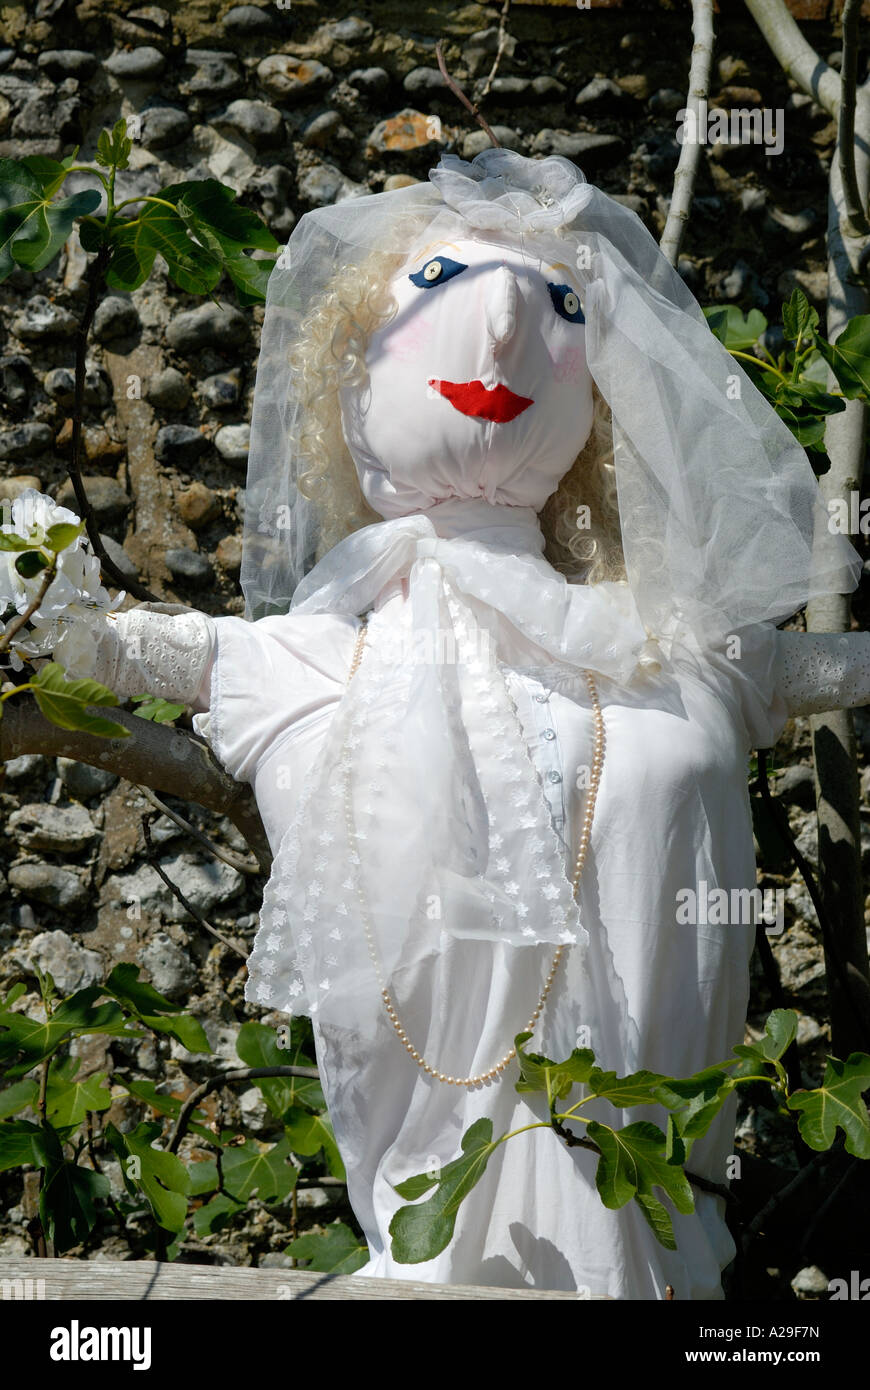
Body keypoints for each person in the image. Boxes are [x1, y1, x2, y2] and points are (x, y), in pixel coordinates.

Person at [56, 150, 868, 1298]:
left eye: (556, 311)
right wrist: (27, 595)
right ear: (349, 386)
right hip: (431, 1260)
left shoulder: (665, 645)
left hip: (666, 1244)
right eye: (440, 283)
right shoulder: (305, 657)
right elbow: (102, 644)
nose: (498, 334)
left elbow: (815, 665)